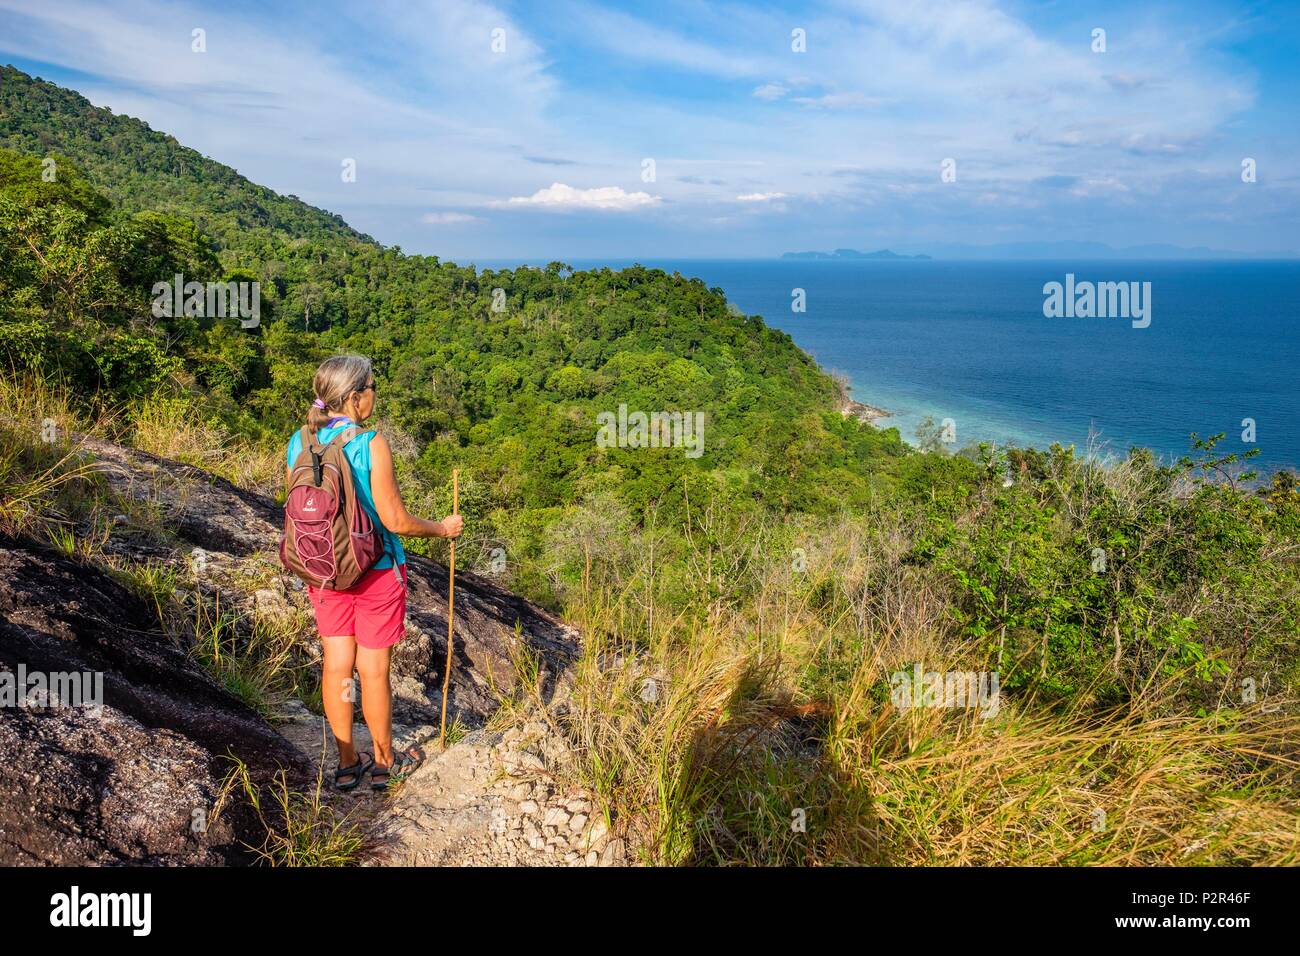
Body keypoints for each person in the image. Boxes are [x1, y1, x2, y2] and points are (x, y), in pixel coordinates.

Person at [286, 354, 463, 791]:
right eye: (371, 387)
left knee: (337, 666)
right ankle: (384, 762)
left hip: (322, 568)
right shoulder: (370, 443)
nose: (374, 395)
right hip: (374, 571)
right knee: (373, 669)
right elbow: (396, 520)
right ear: (354, 398)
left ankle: (347, 762)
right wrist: (443, 528)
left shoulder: (301, 440)